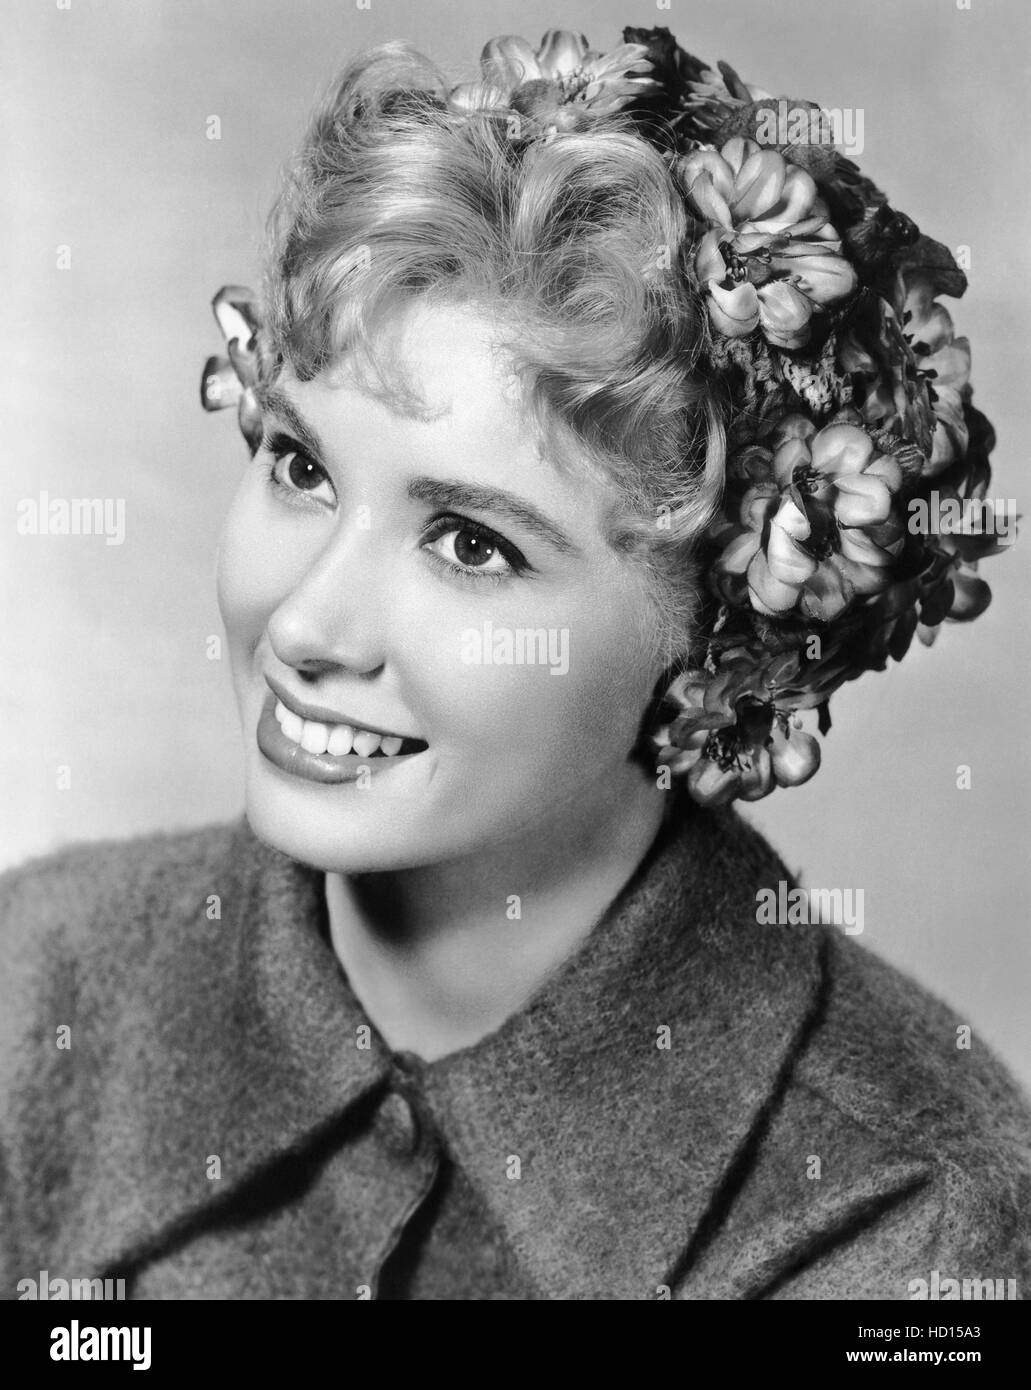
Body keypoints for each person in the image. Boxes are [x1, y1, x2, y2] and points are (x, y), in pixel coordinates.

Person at [2, 24, 1029, 1301]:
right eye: (300, 467)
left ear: (717, 641)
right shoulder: (34, 977)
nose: (310, 625)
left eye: (472, 545)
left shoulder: (909, 1228)